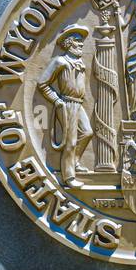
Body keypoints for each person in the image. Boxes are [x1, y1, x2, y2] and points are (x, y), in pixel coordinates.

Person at [37, 24, 93, 187]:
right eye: (77, 41)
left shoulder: (79, 62)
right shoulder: (60, 62)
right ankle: (68, 177)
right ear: (68, 43)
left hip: (78, 104)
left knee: (88, 132)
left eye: (82, 41)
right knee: (70, 141)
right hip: (67, 104)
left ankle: (74, 162)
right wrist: (56, 100)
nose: (81, 44)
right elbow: (42, 83)